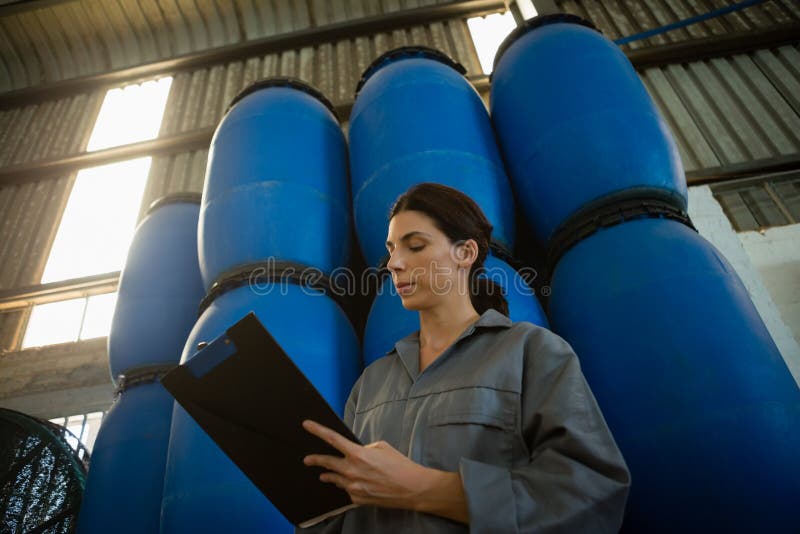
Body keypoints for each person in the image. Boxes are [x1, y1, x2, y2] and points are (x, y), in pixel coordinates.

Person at [299, 183, 630, 533]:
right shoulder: (370, 383)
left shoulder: (532, 352)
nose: (394, 264)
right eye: (391, 250)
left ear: (466, 253)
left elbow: (591, 494)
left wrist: (423, 489)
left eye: (415, 246)